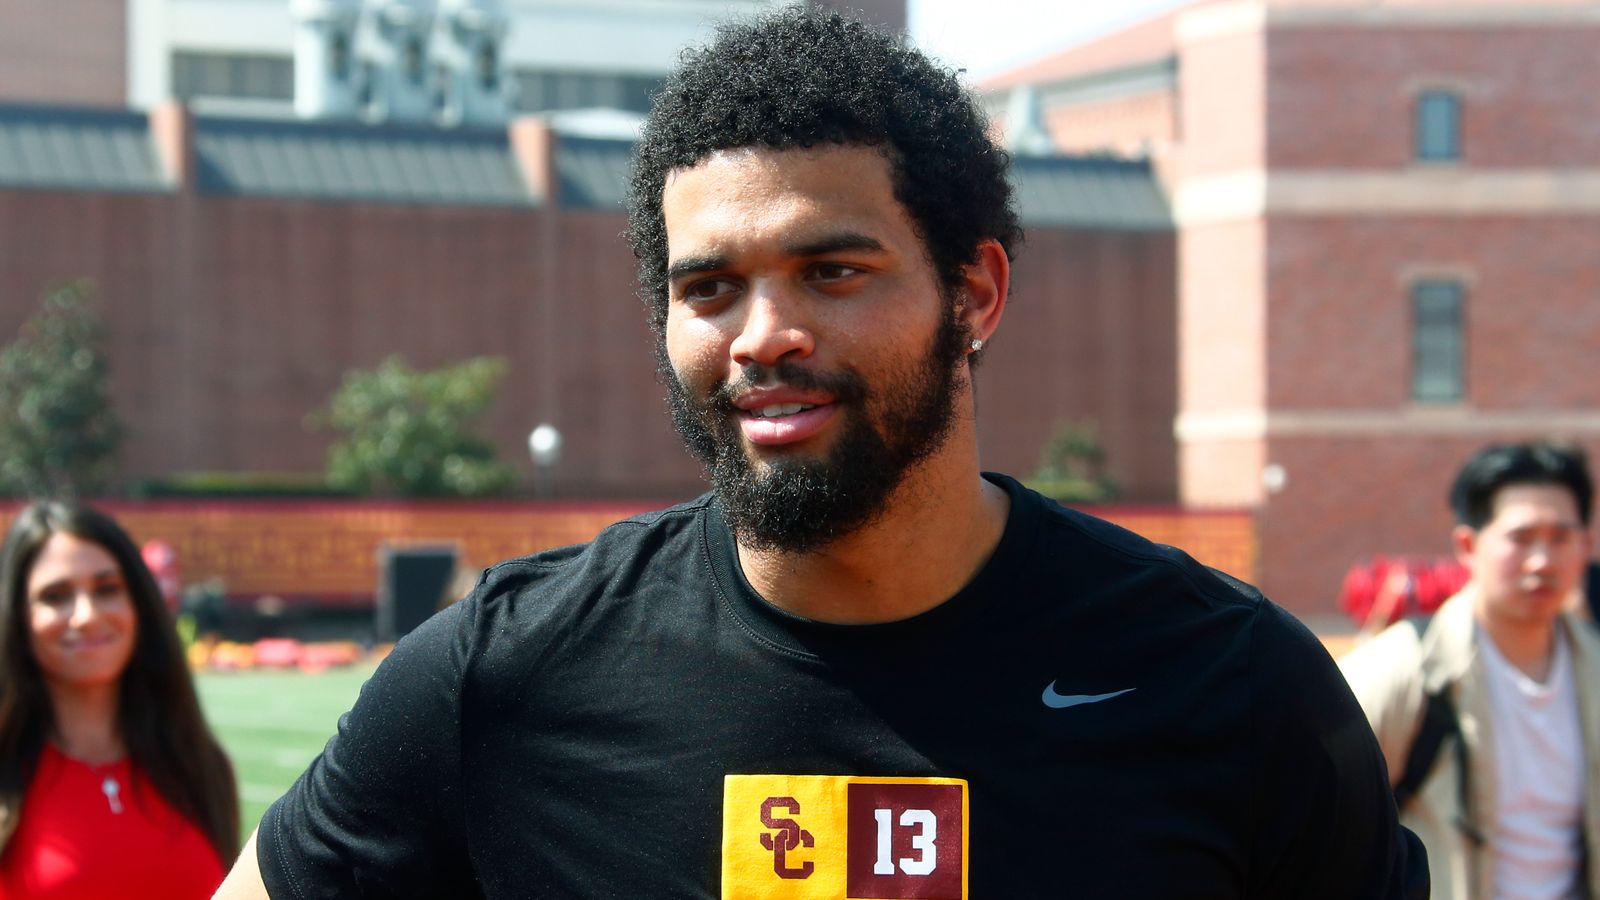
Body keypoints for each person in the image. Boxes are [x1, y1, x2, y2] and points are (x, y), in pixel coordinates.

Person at [217, 8, 1425, 897]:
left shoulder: (1224, 682)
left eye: (830, 271)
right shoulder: (503, 677)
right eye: (710, 288)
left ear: (976, 292)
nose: (764, 335)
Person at [1341, 442, 1598, 899]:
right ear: (1468, 545)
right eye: (1520, 538)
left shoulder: (1592, 667)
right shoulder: (1406, 667)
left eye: (1561, 537)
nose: (1542, 561)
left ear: (1586, 543)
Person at [0, 501, 238, 898]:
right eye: (55, 596)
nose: (87, 615)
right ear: (17, 619)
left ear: (139, 605)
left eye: (107, 589)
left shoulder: (199, 765)